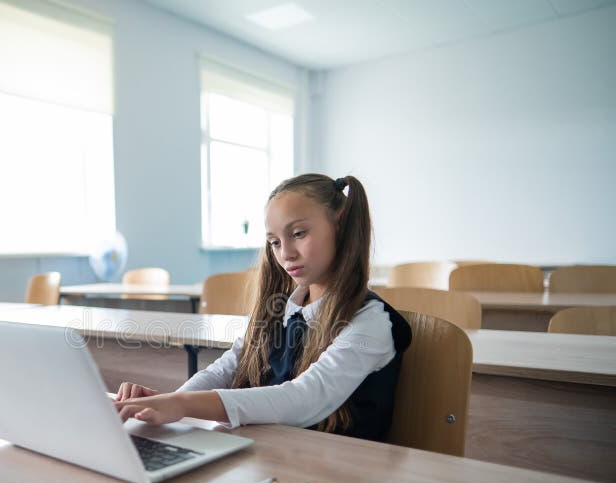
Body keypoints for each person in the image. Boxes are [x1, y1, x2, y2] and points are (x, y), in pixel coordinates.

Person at [113, 173, 412, 441]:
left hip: (342, 474)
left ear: (342, 226)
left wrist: (181, 405)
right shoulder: (279, 310)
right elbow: (227, 368)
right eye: (274, 242)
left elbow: (303, 399)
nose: (286, 254)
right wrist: (166, 404)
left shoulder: (370, 322)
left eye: (298, 234)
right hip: (277, 457)